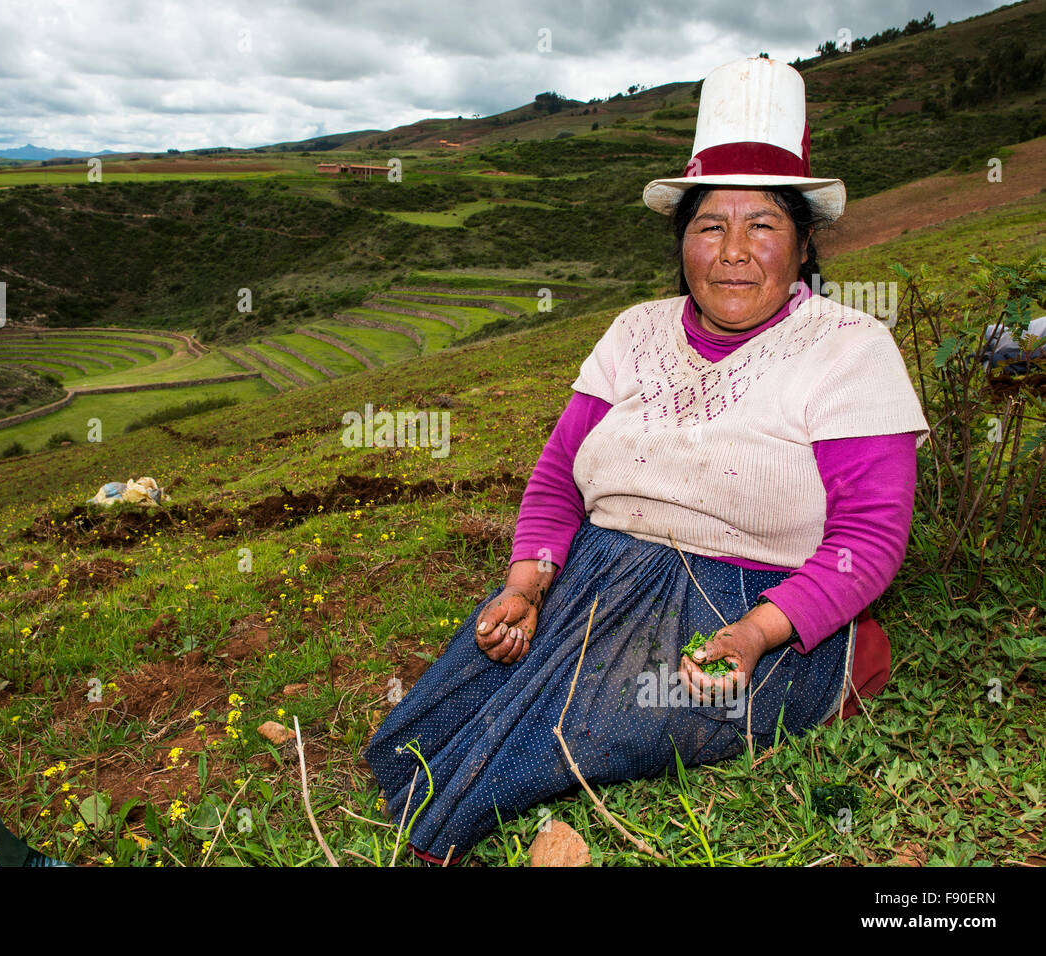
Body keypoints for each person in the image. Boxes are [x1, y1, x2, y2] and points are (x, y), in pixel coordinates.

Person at [363, 57, 931, 864]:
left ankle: (831, 668)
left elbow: (868, 540)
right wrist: (527, 585)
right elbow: (559, 478)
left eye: (763, 225)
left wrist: (755, 635)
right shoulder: (635, 330)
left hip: (747, 603)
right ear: (682, 242)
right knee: (424, 727)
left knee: (581, 719)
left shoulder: (851, 350)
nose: (734, 252)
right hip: (597, 572)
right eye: (710, 225)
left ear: (805, 244)